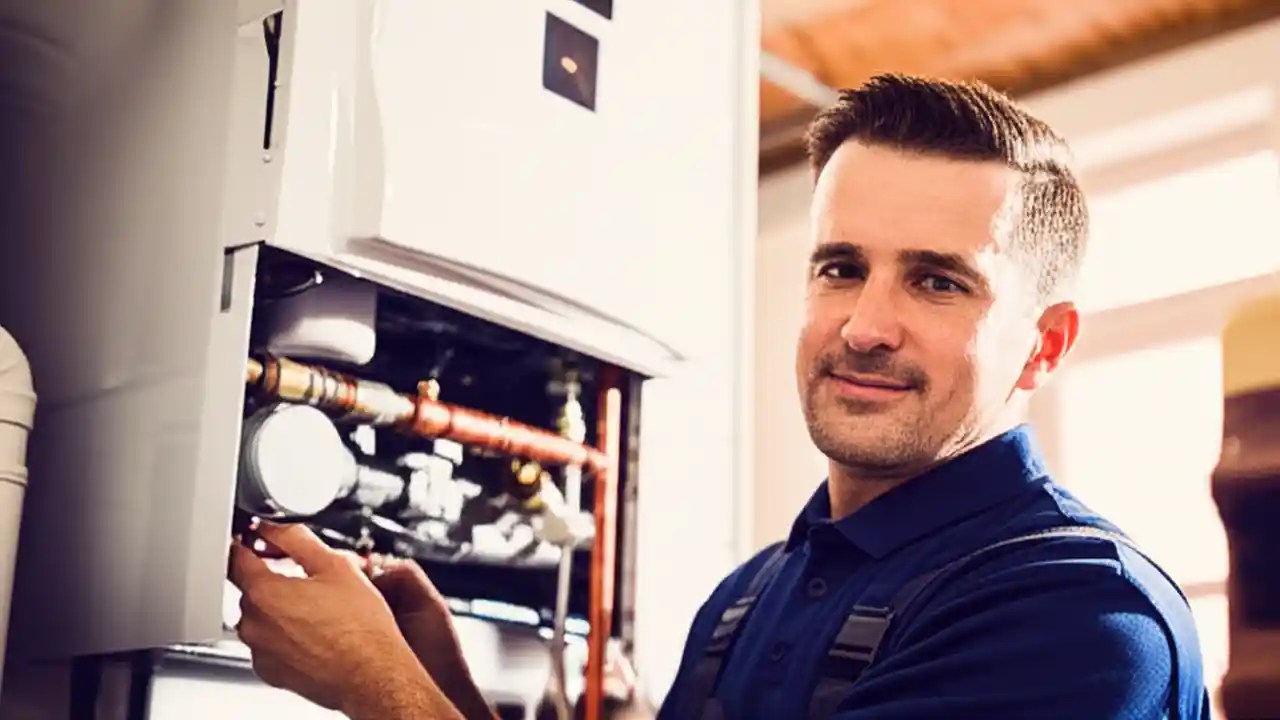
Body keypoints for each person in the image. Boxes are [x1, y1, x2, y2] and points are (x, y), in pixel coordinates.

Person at [228, 73, 1210, 719]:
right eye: (838, 267)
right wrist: (447, 682)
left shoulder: (1080, 619)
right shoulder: (743, 600)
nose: (863, 324)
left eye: (935, 280)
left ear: (1042, 345)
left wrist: (387, 695)